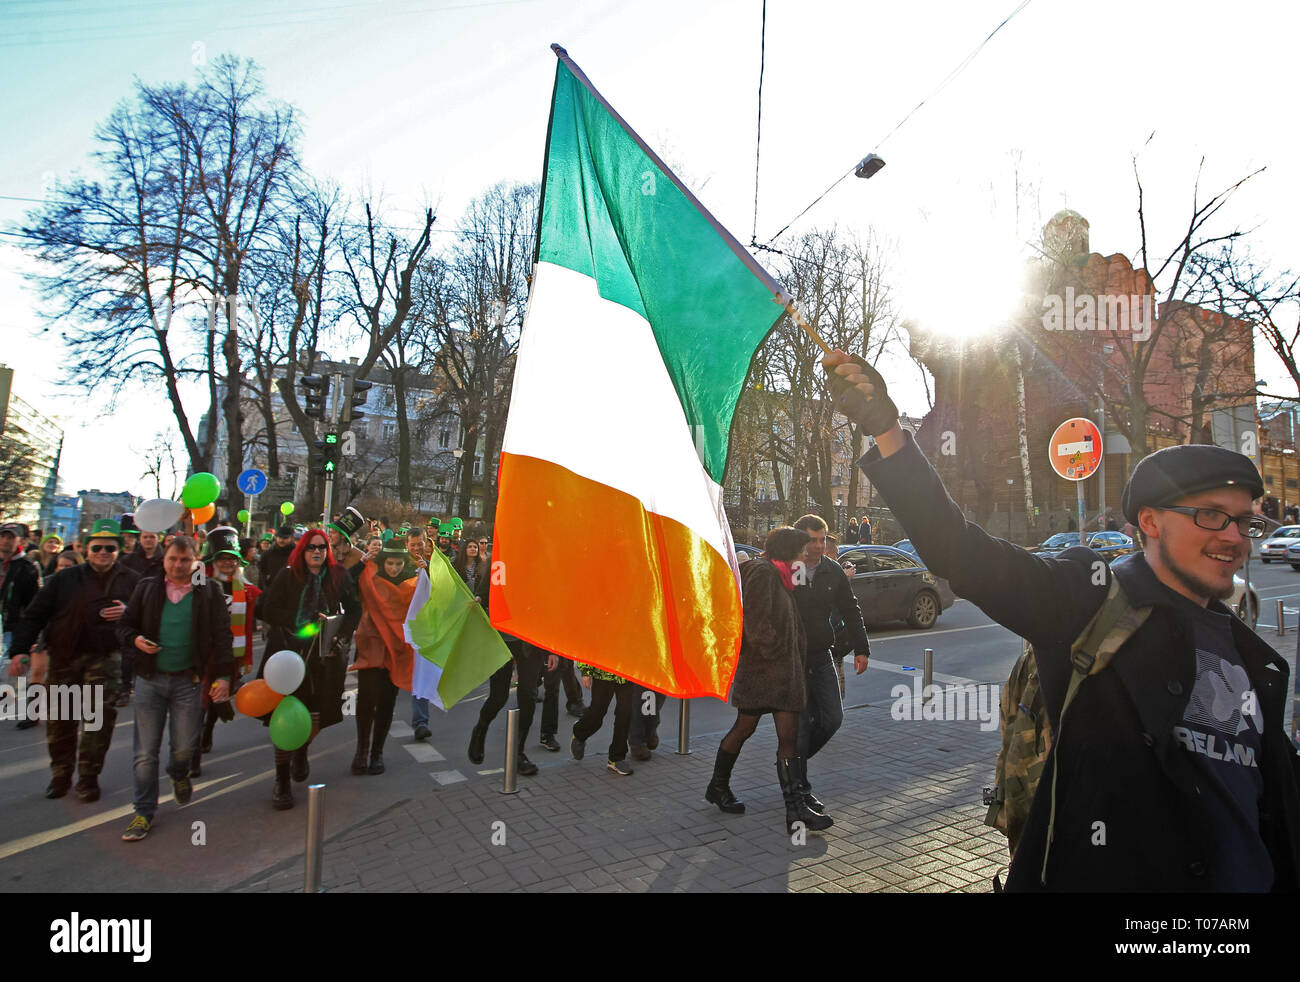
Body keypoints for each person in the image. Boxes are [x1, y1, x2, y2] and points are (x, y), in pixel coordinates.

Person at [824, 347, 1300, 891]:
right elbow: (957, 549)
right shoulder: (1091, 596)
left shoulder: (1248, 648)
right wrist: (889, 432)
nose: (1234, 537)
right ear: (1149, 521)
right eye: (1211, 516)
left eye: (1245, 523)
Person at [703, 526, 832, 833]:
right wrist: (777, 650)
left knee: (764, 733)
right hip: (767, 672)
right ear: (789, 550)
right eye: (801, 550)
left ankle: (726, 789)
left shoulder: (780, 574)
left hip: (777, 674)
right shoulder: (763, 574)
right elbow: (757, 623)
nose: (805, 555)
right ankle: (789, 808)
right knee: (757, 732)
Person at [9, 519, 139, 800]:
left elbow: (147, 617)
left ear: (118, 550)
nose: (103, 552)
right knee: (61, 719)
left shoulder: (131, 580)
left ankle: (88, 778)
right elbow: (35, 614)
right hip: (66, 656)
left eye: (110, 547)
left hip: (105, 659)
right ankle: (61, 774)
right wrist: (19, 650)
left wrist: (128, 611)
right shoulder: (65, 579)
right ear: (87, 548)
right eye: (97, 547)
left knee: (98, 721)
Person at [116, 536, 232, 841]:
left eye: (184, 560)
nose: (178, 566)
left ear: (196, 561)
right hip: (150, 680)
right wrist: (136, 641)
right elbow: (126, 626)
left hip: (187, 682)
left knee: (183, 748)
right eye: (172, 559)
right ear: (164, 560)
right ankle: (143, 812)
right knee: (145, 752)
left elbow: (222, 637)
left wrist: (223, 677)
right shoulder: (147, 588)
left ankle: (179, 773)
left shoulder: (209, 592)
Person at [257, 528, 361, 810]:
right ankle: (281, 782)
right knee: (285, 717)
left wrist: (340, 631)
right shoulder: (288, 575)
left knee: (315, 719)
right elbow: (265, 609)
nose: (317, 552)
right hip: (288, 657)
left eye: (322, 547)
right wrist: (299, 620)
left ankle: (301, 750)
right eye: (311, 547)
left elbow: (354, 609)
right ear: (302, 551)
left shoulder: (338, 576)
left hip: (324, 659)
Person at [790, 515, 870, 820]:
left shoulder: (831, 569)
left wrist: (862, 648)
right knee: (799, 727)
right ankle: (799, 787)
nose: (819, 546)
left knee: (831, 719)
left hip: (822, 655)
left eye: (823, 539)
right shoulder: (787, 569)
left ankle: (790, 765)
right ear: (800, 539)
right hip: (793, 658)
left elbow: (851, 608)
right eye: (813, 539)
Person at [189, 527, 259, 777]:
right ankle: (193, 754)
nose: (227, 563)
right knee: (199, 703)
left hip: (229, 654)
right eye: (222, 558)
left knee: (218, 698)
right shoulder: (200, 582)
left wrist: (246, 657)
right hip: (202, 653)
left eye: (232, 559)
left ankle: (208, 732)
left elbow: (249, 627)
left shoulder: (246, 589)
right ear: (213, 560)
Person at [469, 574, 551, 777]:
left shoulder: (537, 563)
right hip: (501, 638)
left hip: (529, 640)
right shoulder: (498, 562)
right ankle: (480, 729)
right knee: (499, 696)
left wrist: (551, 649)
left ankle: (518, 753)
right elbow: (483, 591)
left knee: (528, 696)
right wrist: (479, 598)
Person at [351, 542, 419, 775]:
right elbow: (346, 587)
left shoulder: (412, 582)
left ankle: (376, 753)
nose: (394, 568)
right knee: (366, 702)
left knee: (386, 704)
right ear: (382, 562)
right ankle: (361, 751)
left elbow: (431, 599)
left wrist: (428, 571)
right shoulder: (368, 578)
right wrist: (360, 564)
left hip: (396, 652)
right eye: (390, 563)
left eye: (399, 564)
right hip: (371, 647)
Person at [570, 660, 637, 776]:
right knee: (597, 712)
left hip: (627, 672)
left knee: (625, 714)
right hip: (603, 671)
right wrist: (586, 671)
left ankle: (616, 758)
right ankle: (579, 733)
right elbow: (589, 642)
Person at [257, 525, 295, 590]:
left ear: (292, 538)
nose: (281, 540)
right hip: (271, 593)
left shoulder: (297, 554)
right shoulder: (267, 554)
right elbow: (261, 576)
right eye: (279, 537)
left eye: (285, 538)